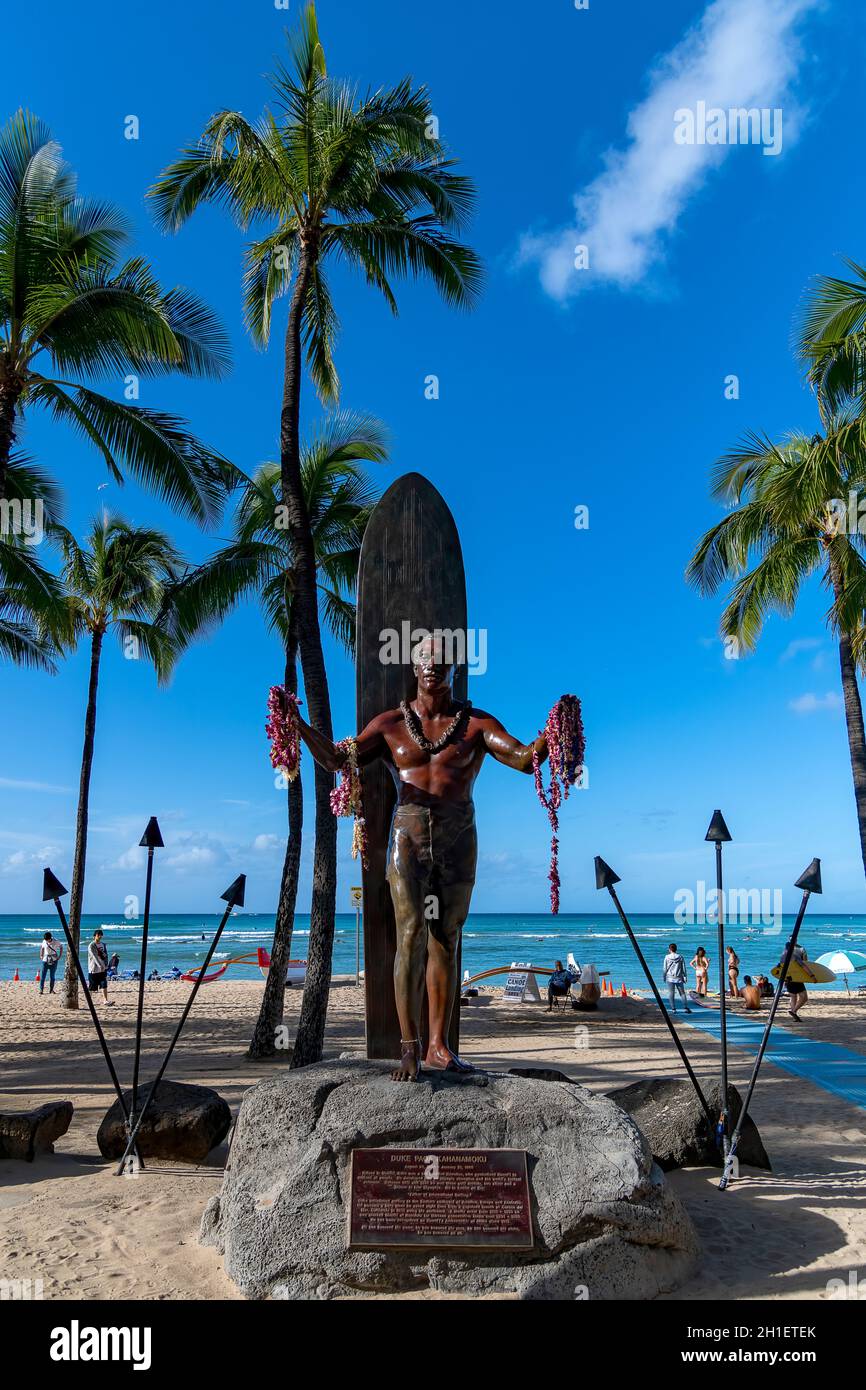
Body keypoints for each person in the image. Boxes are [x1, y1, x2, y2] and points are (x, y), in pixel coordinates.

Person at [297, 634, 579, 1081]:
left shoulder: (477, 724)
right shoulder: (390, 724)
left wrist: (556, 727)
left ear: (453, 670)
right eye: (425, 658)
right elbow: (336, 760)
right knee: (409, 934)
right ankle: (408, 1048)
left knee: (445, 939)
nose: (433, 664)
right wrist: (296, 724)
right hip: (406, 836)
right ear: (414, 667)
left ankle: (438, 1047)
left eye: (442, 659)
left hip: (458, 838)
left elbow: (525, 760)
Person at [782, 939, 815, 1022]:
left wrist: (784, 980)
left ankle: (795, 1015)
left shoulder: (782, 957)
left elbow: (781, 969)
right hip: (796, 978)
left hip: (788, 979)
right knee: (804, 997)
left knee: (793, 997)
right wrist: (812, 976)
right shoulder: (794, 956)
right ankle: (794, 1011)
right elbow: (804, 966)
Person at [663, 943, 691, 1013]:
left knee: (671, 993)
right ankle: (686, 1008)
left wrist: (664, 976)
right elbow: (684, 968)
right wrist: (685, 977)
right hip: (679, 977)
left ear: (669, 949)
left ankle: (673, 1009)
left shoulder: (667, 957)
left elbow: (665, 968)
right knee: (682, 993)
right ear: (676, 949)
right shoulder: (680, 957)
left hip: (669, 977)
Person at [87, 929, 112, 1005]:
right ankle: (89, 1001)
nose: (100, 936)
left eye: (101, 935)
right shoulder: (91, 945)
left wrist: (106, 964)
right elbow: (94, 956)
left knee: (104, 984)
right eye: (98, 935)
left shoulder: (103, 944)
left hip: (103, 969)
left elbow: (105, 955)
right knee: (92, 987)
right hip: (94, 969)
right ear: (94, 936)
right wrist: (100, 965)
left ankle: (105, 1000)